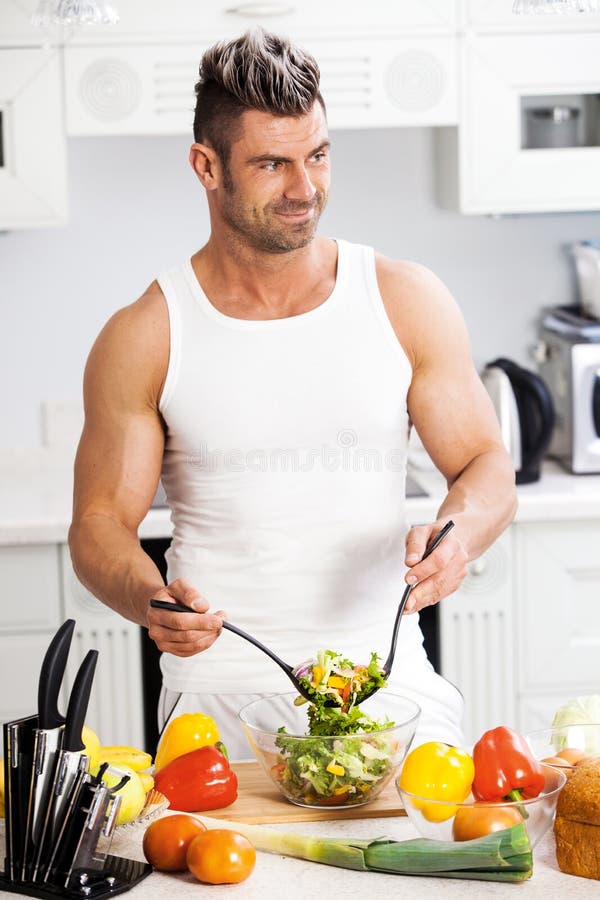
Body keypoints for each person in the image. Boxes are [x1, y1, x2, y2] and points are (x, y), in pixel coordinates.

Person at [69, 28, 517, 759]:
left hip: (388, 679)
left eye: (317, 155)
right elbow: (96, 524)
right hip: (215, 694)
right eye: (273, 163)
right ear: (206, 166)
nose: (305, 188)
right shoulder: (147, 334)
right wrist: (146, 599)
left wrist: (458, 535)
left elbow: (484, 463)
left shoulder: (405, 300)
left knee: (436, 860)